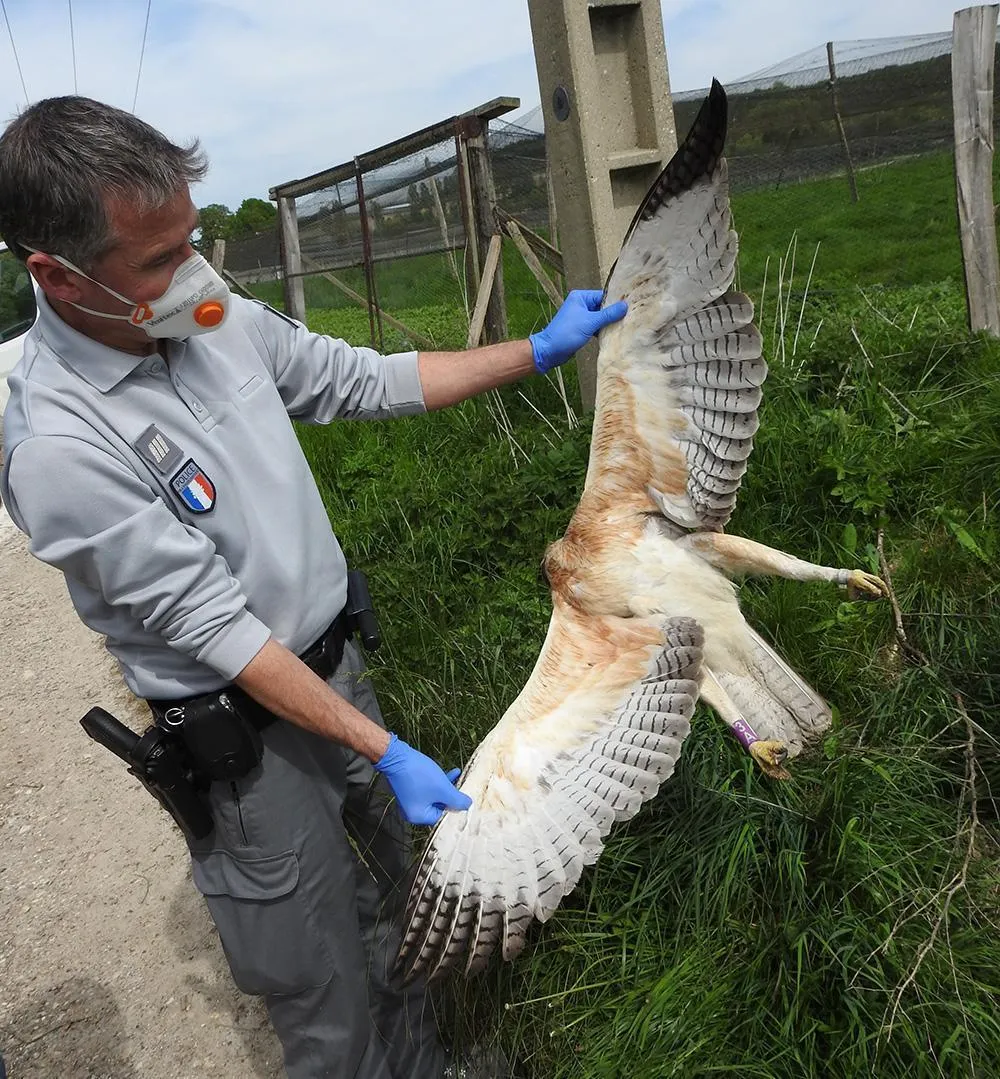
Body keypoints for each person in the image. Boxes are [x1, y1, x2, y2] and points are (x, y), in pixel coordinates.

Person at [0, 97, 627, 1079]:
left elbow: (357, 377)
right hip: (248, 741)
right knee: (322, 989)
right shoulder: (59, 445)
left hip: (340, 670)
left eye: (190, 239)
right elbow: (221, 633)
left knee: (396, 917)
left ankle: (426, 1067)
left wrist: (535, 352)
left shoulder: (207, 316)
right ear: (54, 273)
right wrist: (384, 748)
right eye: (157, 260)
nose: (193, 277)